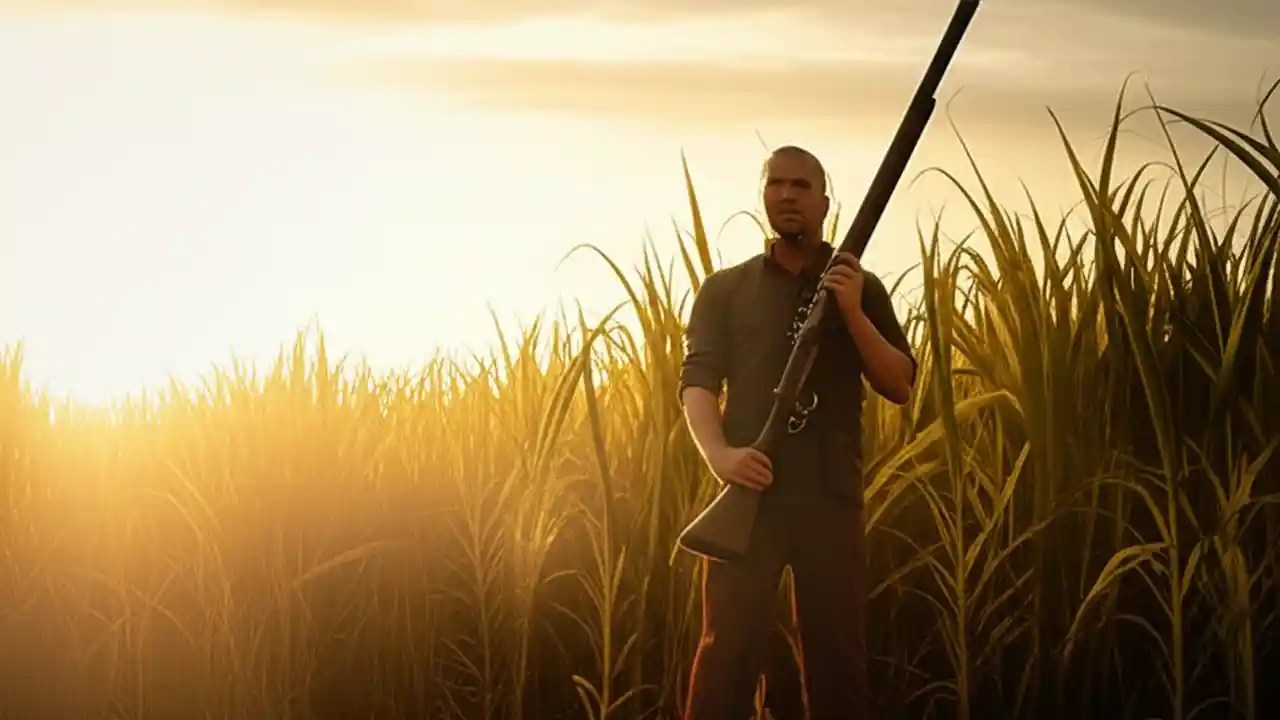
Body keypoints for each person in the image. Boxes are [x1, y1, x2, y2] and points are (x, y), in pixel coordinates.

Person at [677, 145, 917, 719]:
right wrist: (720, 457)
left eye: (802, 186)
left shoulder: (861, 287)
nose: (788, 195)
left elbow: (901, 383)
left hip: (831, 503)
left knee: (839, 667)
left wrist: (852, 311)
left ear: (825, 203)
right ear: (764, 197)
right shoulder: (725, 290)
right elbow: (697, 384)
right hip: (750, 498)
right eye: (777, 184)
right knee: (723, 660)